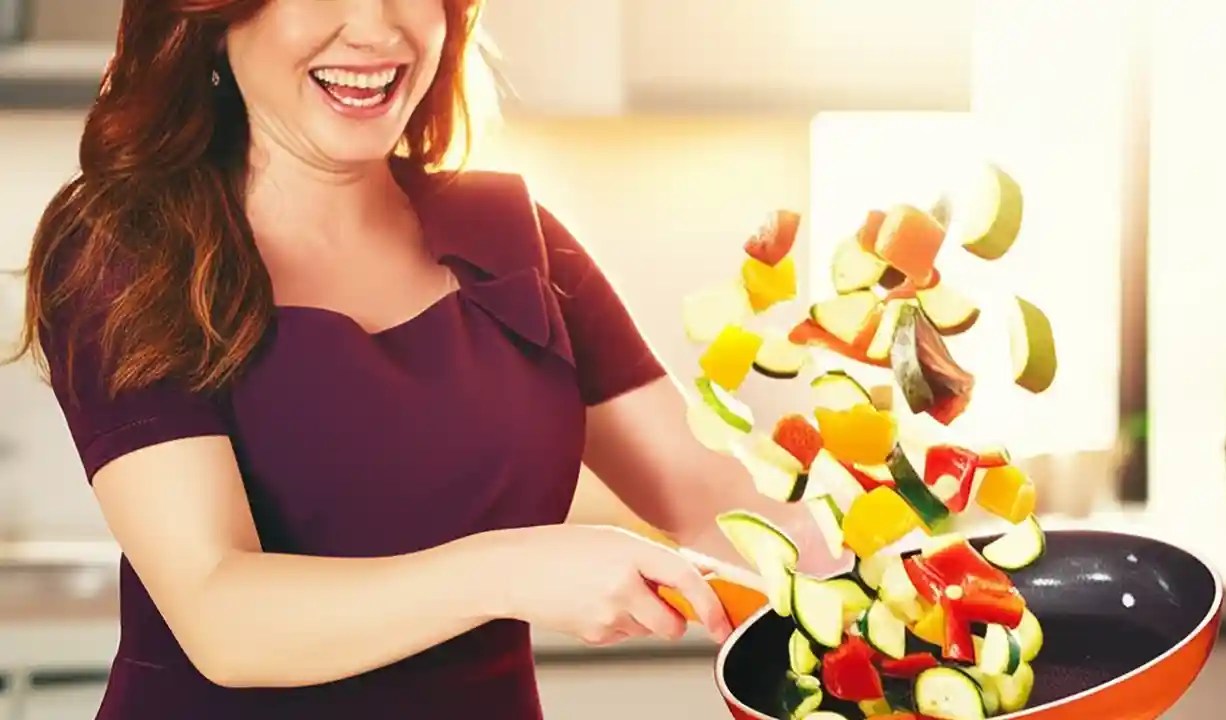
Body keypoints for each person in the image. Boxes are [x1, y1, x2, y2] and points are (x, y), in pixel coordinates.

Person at [7, 1, 840, 718]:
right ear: (217, 16)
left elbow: (715, 503)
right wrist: (507, 571)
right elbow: (219, 613)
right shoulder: (131, 251)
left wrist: (887, 552)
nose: (376, 28)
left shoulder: (514, 238)